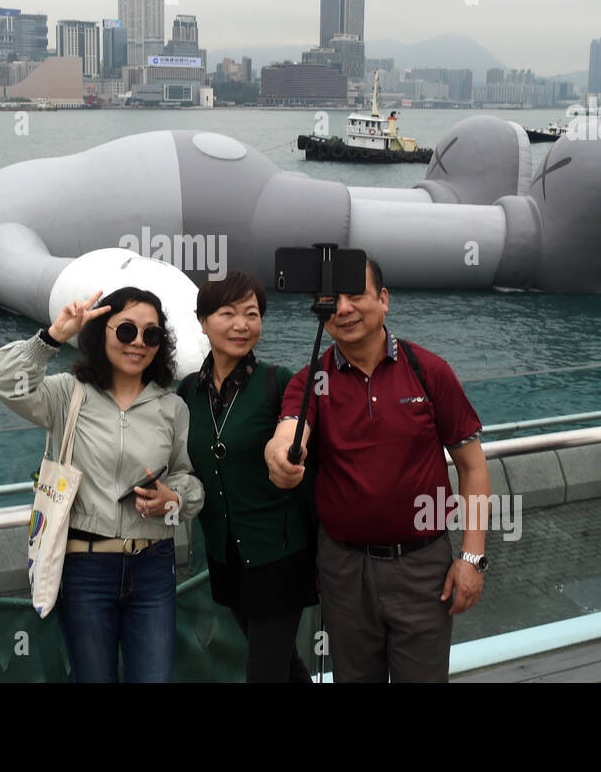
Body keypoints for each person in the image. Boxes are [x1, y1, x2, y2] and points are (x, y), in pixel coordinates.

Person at [264, 259, 490, 683]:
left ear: (383, 300)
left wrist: (471, 558)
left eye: (356, 295)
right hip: (343, 569)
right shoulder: (312, 380)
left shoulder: (429, 372)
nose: (344, 309)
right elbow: (290, 430)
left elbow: (472, 466)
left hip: (424, 568)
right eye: (331, 301)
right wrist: (281, 458)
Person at [0, 286, 204, 683]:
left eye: (151, 334)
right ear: (102, 331)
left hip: (153, 565)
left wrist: (173, 499)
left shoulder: (172, 407)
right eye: (126, 331)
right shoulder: (67, 394)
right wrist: (51, 337)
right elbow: (4, 382)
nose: (138, 342)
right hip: (84, 567)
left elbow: (188, 478)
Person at [176, 270, 314, 683]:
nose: (241, 325)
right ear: (202, 321)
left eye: (252, 314)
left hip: (279, 556)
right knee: (283, 665)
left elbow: (295, 438)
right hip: (225, 556)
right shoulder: (187, 392)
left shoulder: (280, 382)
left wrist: (288, 461)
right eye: (227, 313)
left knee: (264, 673)